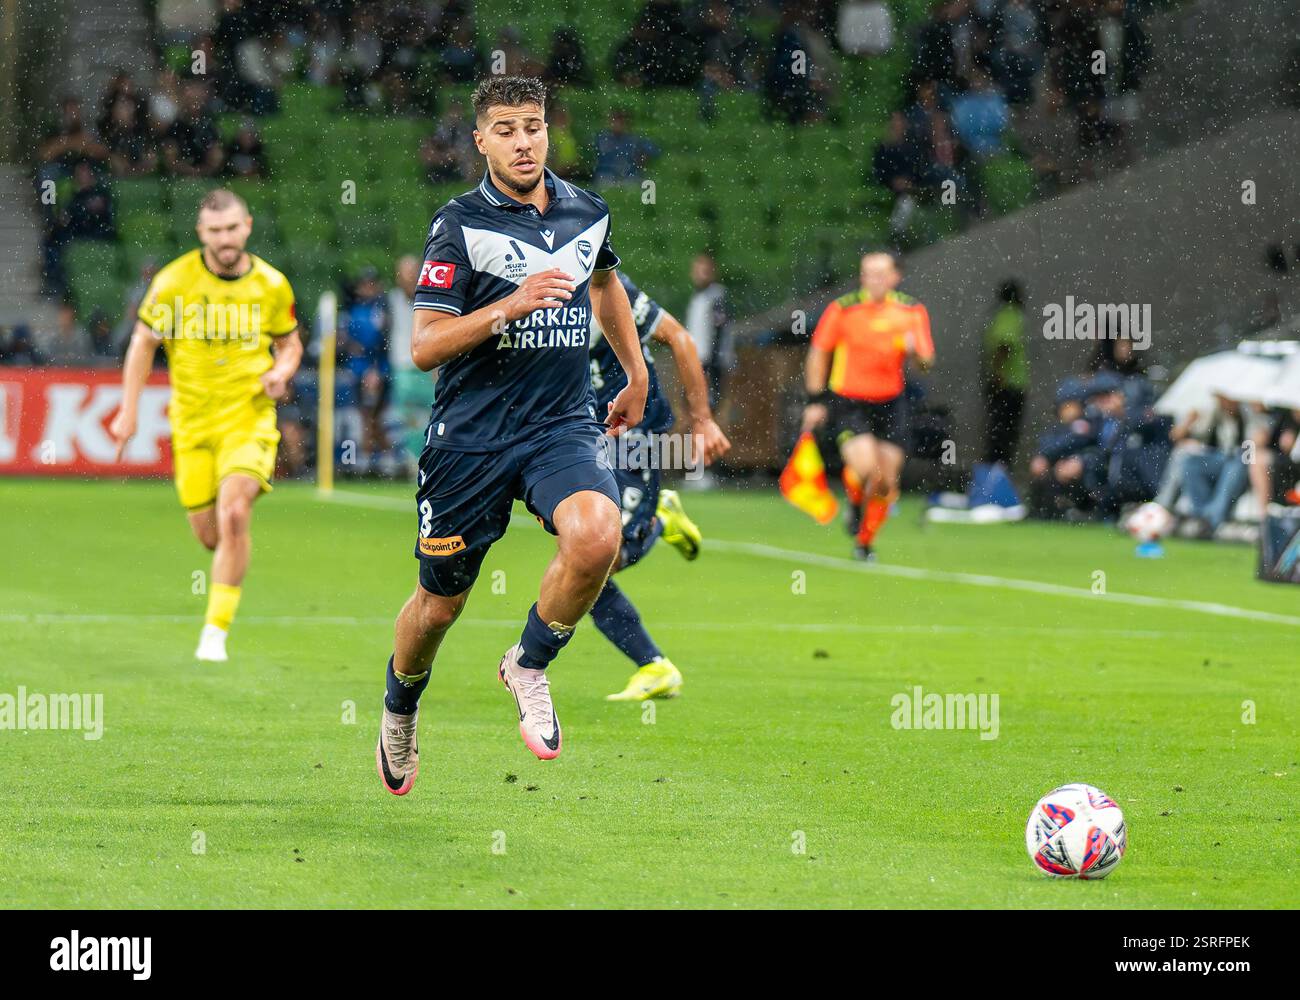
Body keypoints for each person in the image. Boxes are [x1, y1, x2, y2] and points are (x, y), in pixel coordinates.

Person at [375, 76, 648, 795]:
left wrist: (636, 370)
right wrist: (510, 306)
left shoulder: (587, 211)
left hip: (561, 423)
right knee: (439, 605)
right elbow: (426, 346)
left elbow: (605, 283)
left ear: (548, 130)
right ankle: (401, 706)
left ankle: (528, 663)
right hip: (471, 439)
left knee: (596, 535)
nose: (523, 141)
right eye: (505, 129)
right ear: (480, 141)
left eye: (533, 126)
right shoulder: (458, 224)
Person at [109, 189, 303, 663]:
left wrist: (280, 373)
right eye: (215, 231)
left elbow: (291, 344)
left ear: (248, 226)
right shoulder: (175, 282)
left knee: (235, 514)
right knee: (211, 534)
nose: (225, 238)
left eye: (232, 228)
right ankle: (226, 566)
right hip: (192, 425)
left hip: (248, 418)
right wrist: (128, 411)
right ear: (201, 233)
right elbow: (141, 344)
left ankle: (214, 633)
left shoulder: (272, 285)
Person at [588, 270, 730, 701]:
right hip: (583, 433)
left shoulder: (604, 284)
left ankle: (652, 523)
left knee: (596, 565)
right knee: (580, 561)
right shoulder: (527, 294)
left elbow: (680, 339)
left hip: (635, 432)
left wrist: (703, 421)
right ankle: (654, 665)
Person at [801, 252, 934, 560]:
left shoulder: (911, 311)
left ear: (893, 277)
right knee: (866, 468)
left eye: (880, 274)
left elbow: (927, 362)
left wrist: (916, 353)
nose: (873, 280)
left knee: (886, 482)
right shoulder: (843, 310)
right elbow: (818, 354)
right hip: (850, 402)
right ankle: (854, 502)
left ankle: (864, 542)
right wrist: (816, 400)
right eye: (867, 273)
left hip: (892, 403)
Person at [386, 255, 434, 470]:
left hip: (427, 366)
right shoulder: (390, 301)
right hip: (403, 368)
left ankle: (427, 458)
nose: (409, 277)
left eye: (413, 272)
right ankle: (410, 460)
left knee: (430, 414)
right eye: (405, 273)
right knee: (407, 417)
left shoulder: (431, 297)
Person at [981, 279, 1028, 467]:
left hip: (1006, 383)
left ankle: (994, 472)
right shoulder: (1011, 314)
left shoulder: (1000, 315)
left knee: (998, 431)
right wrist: (999, 374)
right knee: (1004, 433)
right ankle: (997, 474)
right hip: (1010, 384)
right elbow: (1004, 344)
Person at [684, 253, 732, 413]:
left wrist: (710, 368)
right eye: (698, 269)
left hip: (709, 364)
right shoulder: (697, 297)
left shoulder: (716, 297)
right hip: (698, 363)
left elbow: (719, 333)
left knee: (707, 411)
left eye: (705, 270)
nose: (700, 273)